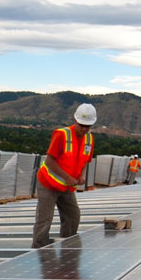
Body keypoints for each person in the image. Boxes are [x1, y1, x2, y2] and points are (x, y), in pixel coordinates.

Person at [32, 103, 97, 248]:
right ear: (75, 121)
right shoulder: (62, 135)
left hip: (67, 186)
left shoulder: (89, 139)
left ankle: (67, 248)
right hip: (48, 183)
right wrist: (67, 177)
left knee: (73, 216)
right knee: (44, 220)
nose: (84, 129)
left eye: (88, 126)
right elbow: (49, 161)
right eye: (82, 125)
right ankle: (38, 252)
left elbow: (86, 160)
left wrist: (81, 175)